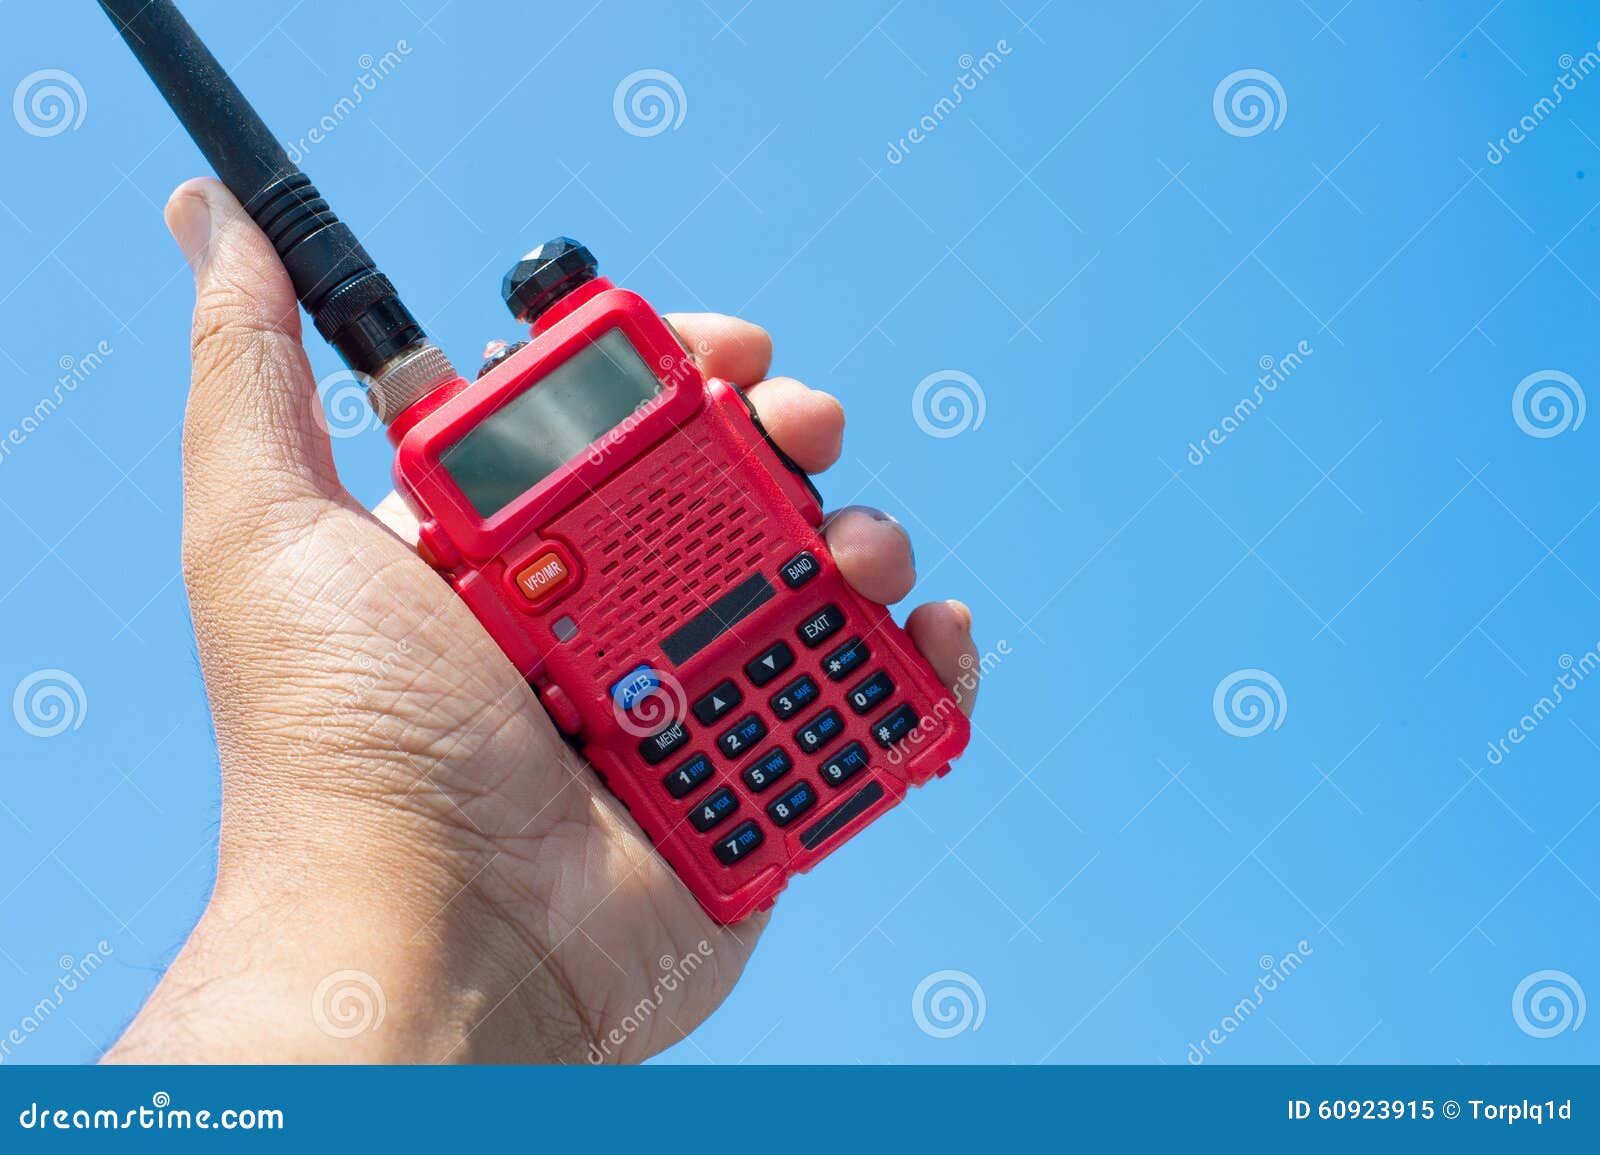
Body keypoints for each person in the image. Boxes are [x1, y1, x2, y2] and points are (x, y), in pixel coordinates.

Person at [104, 178, 979, 1063]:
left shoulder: (662, 393)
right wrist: (435, 878)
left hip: (756, 625)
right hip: (652, 712)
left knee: (807, 451)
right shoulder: (476, 522)